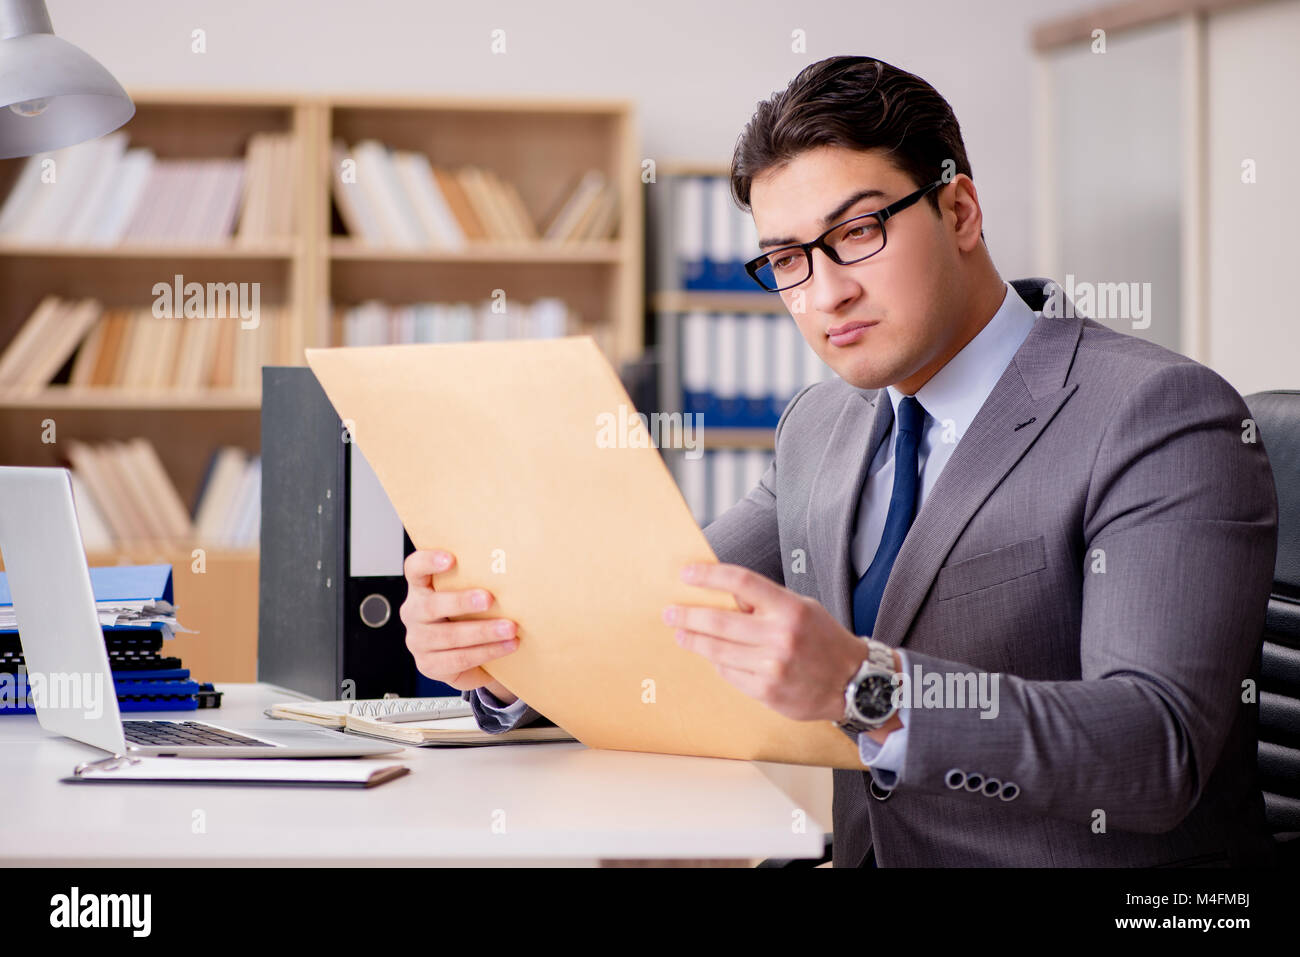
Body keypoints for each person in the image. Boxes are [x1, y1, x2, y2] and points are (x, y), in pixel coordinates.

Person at [399, 55, 1279, 867]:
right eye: (787, 259)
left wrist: (866, 685)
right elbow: (663, 617)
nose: (826, 293)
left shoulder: (1154, 413)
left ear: (960, 211)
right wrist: (509, 655)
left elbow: (1154, 748)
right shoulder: (820, 424)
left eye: (856, 233)